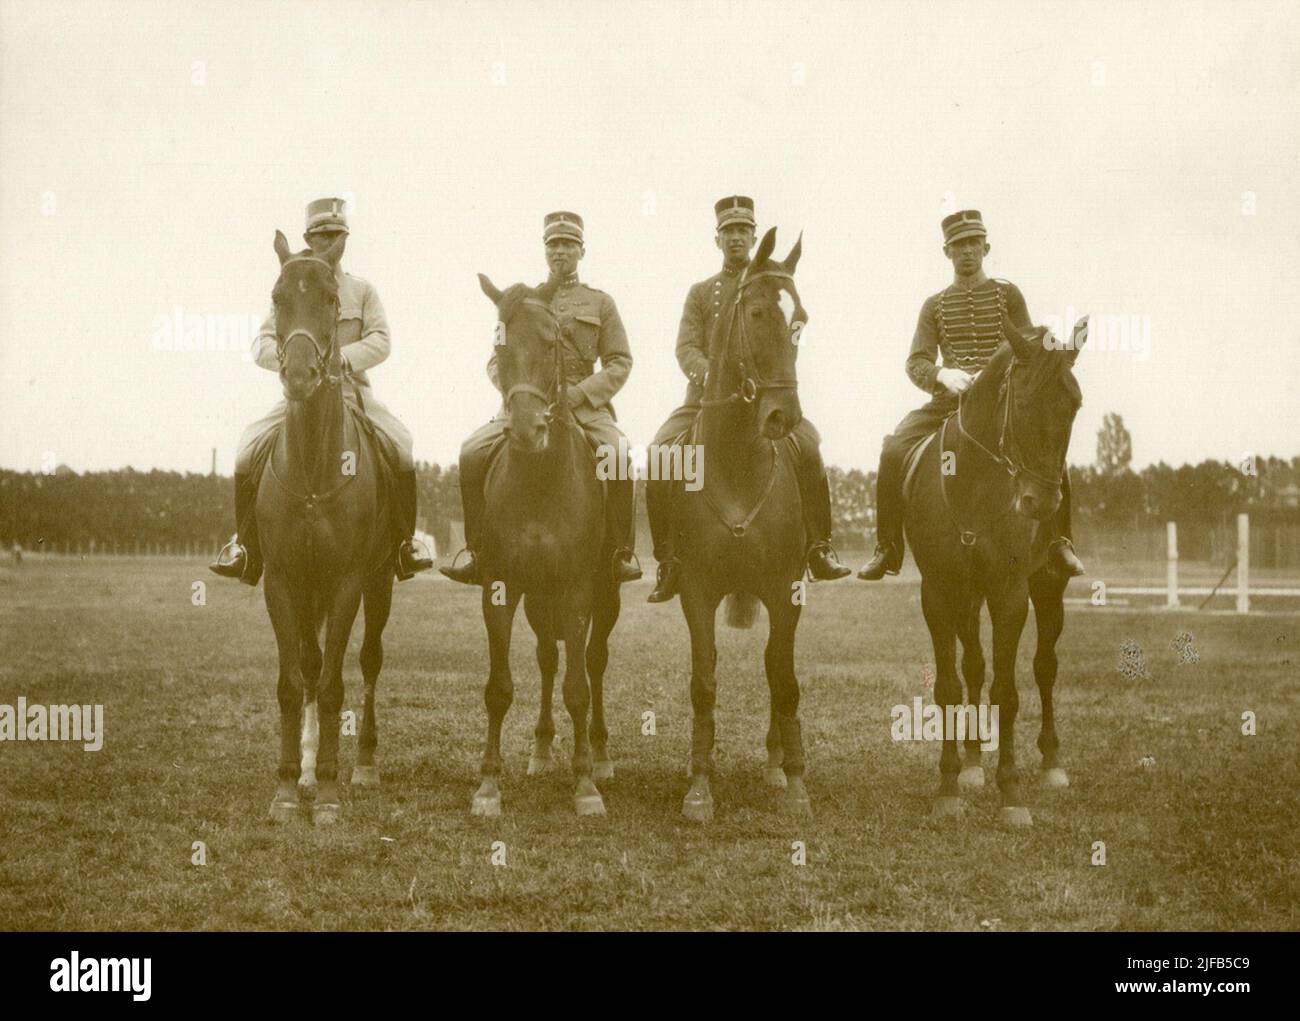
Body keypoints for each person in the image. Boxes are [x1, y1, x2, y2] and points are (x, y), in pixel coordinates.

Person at [209, 197, 433, 584]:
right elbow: (261, 342)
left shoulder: (362, 291)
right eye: (320, 235)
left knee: (402, 445)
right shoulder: (293, 287)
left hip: (352, 393)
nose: (327, 242)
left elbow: (381, 339)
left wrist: (341, 361)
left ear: (343, 241)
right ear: (308, 238)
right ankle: (245, 546)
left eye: (334, 235)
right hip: (298, 394)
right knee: (246, 449)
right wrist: (287, 359)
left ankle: (403, 545)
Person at [857, 209, 1085, 580]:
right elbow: (916, 362)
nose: (967, 251)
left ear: (986, 247)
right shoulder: (934, 305)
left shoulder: (1008, 294)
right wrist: (943, 375)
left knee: (1049, 452)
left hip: (1001, 403)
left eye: (974, 243)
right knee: (893, 448)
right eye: (959, 245)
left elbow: (1028, 346)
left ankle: (1059, 540)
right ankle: (888, 548)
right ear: (947, 252)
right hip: (948, 403)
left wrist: (993, 373)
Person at [645, 195, 850, 603]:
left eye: (743, 230)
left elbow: (788, 336)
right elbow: (685, 348)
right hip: (706, 401)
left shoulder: (772, 286)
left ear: (754, 236)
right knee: (659, 456)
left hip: (765, 399)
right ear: (717, 239)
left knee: (809, 447)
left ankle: (818, 548)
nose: (735, 238)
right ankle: (668, 560)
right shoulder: (702, 292)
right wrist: (713, 377)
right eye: (728, 231)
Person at [440, 210, 641, 586]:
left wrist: (579, 396)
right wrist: (516, 394)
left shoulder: (601, 303)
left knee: (619, 455)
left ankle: (618, 553)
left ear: (582, 250)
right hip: (527, 402)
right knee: (470, 453)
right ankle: (478, 552)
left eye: (568, 244)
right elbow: (494, 358)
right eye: (553, 244)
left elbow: (619, 362)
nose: (560, 252)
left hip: (584, 407)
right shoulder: (519, 301)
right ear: (544, 250)